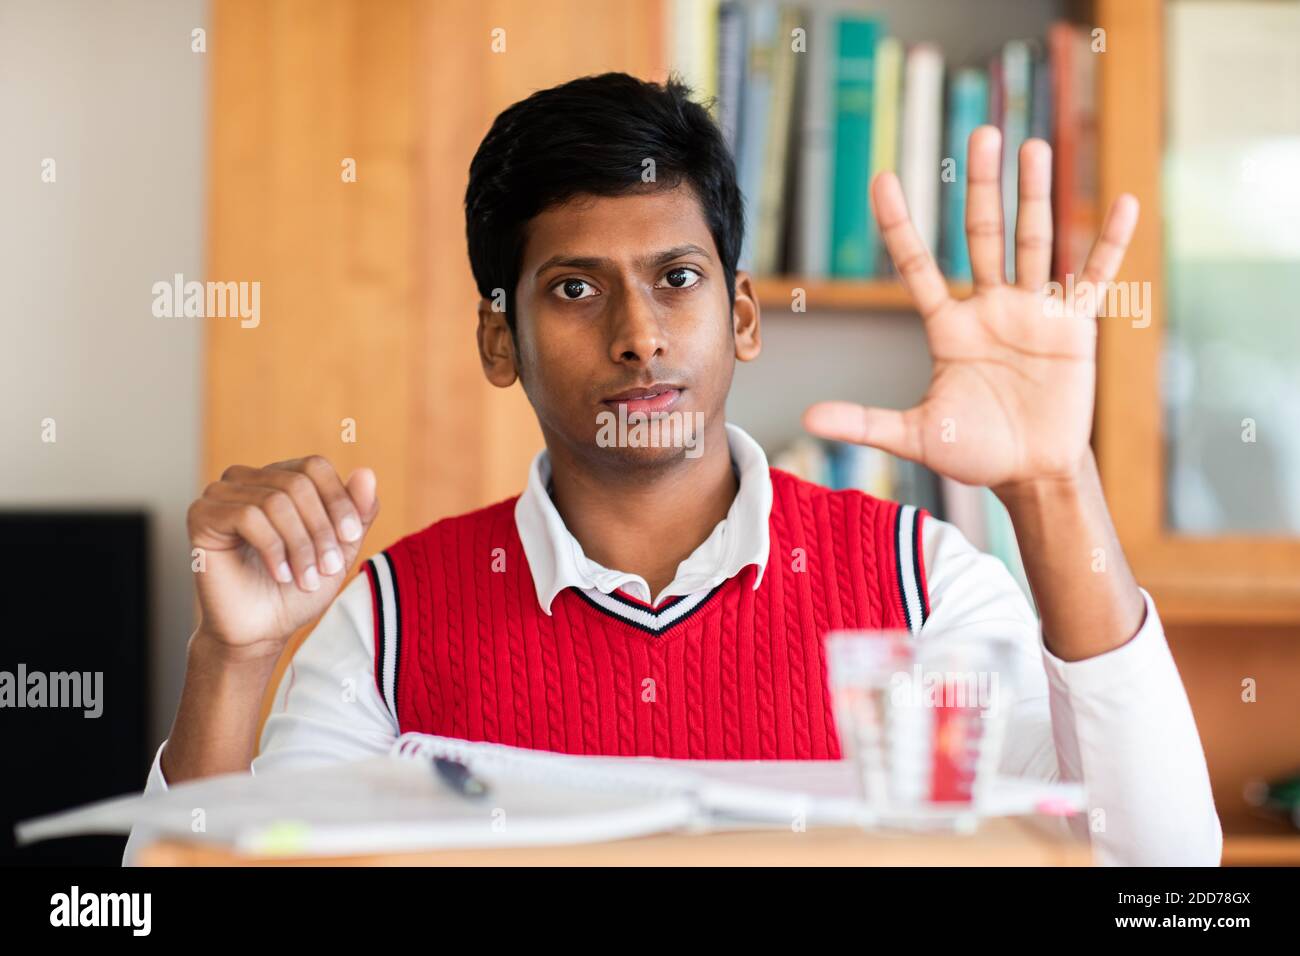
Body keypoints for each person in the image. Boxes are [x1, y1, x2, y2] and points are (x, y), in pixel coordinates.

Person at [125, 73, 1220, 866]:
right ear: (496, 340)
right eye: (572, 287)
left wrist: (1049, 482)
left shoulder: (921, 586)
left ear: (741, 315)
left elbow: (1161, 876)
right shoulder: (389, 619)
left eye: (678, 276)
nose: (640, 333)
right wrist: (235, 653)